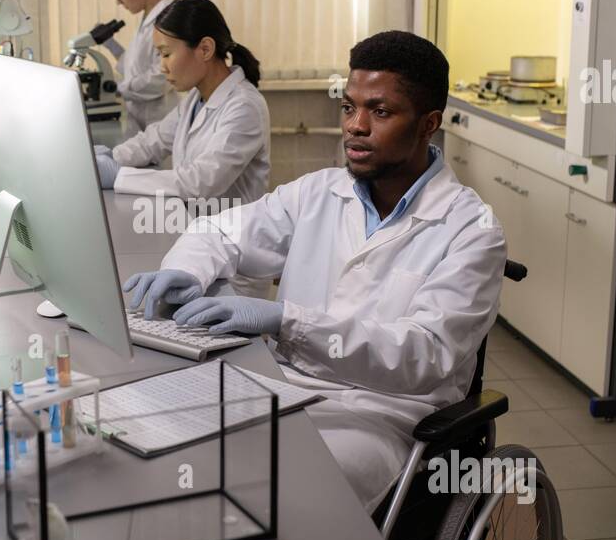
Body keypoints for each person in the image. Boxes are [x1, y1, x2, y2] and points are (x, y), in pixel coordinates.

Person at [121, 31, 507, 510]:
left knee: (278, 490)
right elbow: (217, 233)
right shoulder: (319, 191)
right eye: (349, 108)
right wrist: (187, 271)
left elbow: (424, 355)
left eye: (380, 112)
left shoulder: (472, 229)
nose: (355, 126)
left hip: (381, 416)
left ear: (429, 124)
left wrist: (286, 320)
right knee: (170, 439)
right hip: (281, 383)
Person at [94, 0, 272, 298]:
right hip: (199, 240)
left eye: (165, 53)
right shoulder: (195, 98)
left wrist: (119, 176)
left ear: (205, 48)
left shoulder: (244, 107)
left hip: (235, 261)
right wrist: (110, 156)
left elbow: (201, 182)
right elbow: (154, 140)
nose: (162, 66)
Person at [102, 0, 180, 132]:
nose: (118, 1)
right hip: (142, 124)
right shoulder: (147, 18)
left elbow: (161, 77)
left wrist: (120, 89)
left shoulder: (168, 20)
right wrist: (110, 45)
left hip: (161, 124)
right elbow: (134, 67)